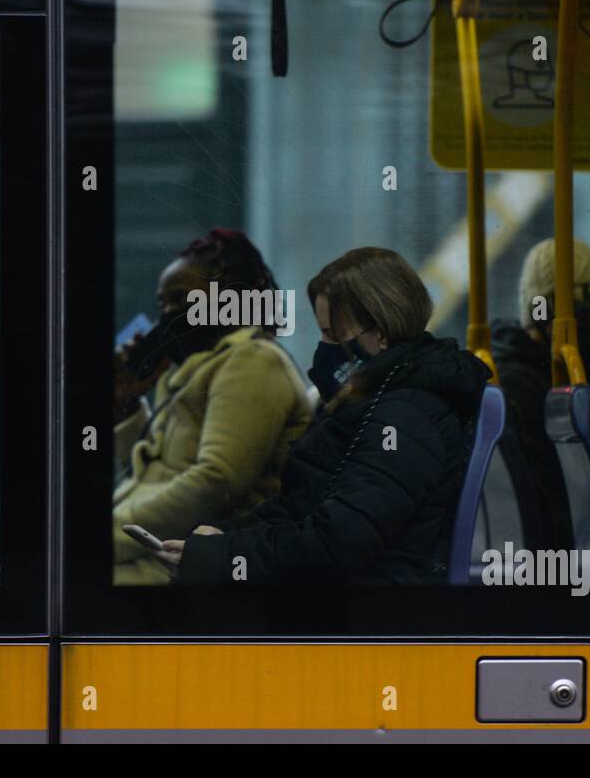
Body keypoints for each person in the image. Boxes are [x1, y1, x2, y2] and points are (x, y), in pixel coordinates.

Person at [161, 247, 491, 584]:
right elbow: (303, 509)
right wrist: (221, 538)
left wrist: (224, 556)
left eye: (334, 334)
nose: (324, 347)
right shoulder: (375, 401)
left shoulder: (405, 417)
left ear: (380, 332)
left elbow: (339, 543)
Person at [112, 229, 312, 584]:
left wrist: (111, 533)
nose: (169, 314)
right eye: (163, 304)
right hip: (151, 556)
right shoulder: (202, 369)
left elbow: (216, 481)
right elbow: (159, 473)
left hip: (178, 564)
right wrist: (126, 404)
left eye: (182, 299)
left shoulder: (253, 362)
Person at [491, 238, 590, 548]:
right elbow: (555, 505)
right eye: (589, 318)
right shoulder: (517, 391)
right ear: (544, 319)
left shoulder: (585, 382)